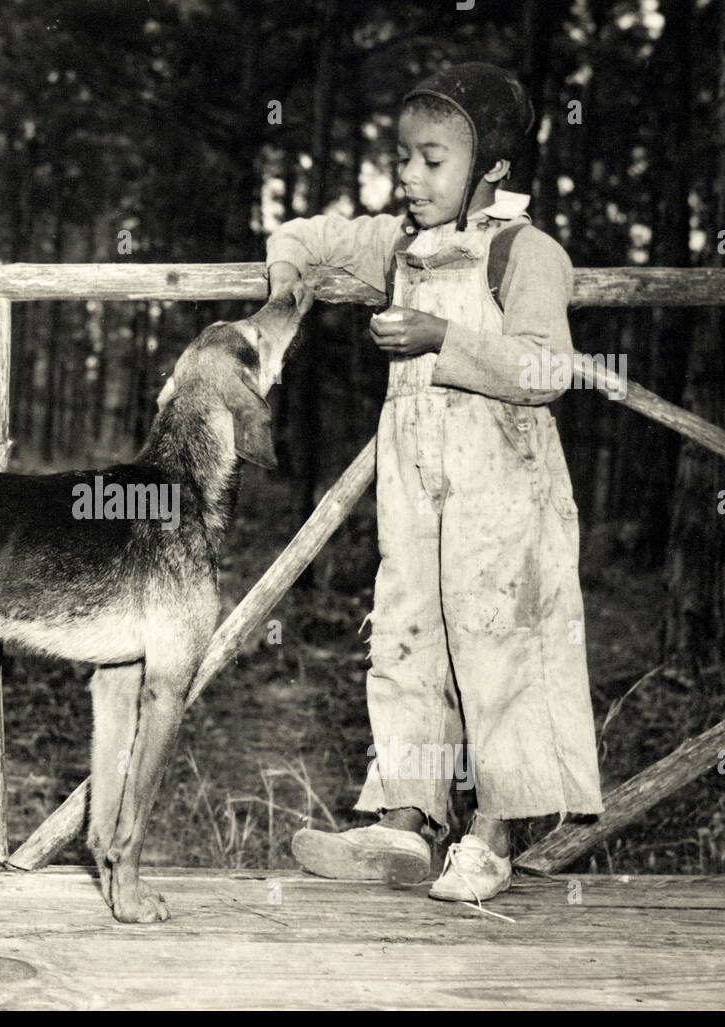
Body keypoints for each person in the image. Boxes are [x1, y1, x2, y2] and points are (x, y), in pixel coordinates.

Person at [265, 63, 602, 904]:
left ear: (490, 166)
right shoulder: (400, 245)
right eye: (403, 159)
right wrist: (284, 278)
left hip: (504, 487)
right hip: (415, 486)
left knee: (498, 642)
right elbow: (307, 235)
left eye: (431, 160)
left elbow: (548, 366)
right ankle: (409, 821)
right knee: (409, 634)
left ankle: (493, 830)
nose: (409, 177)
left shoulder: (528, 252)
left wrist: (441, 333)